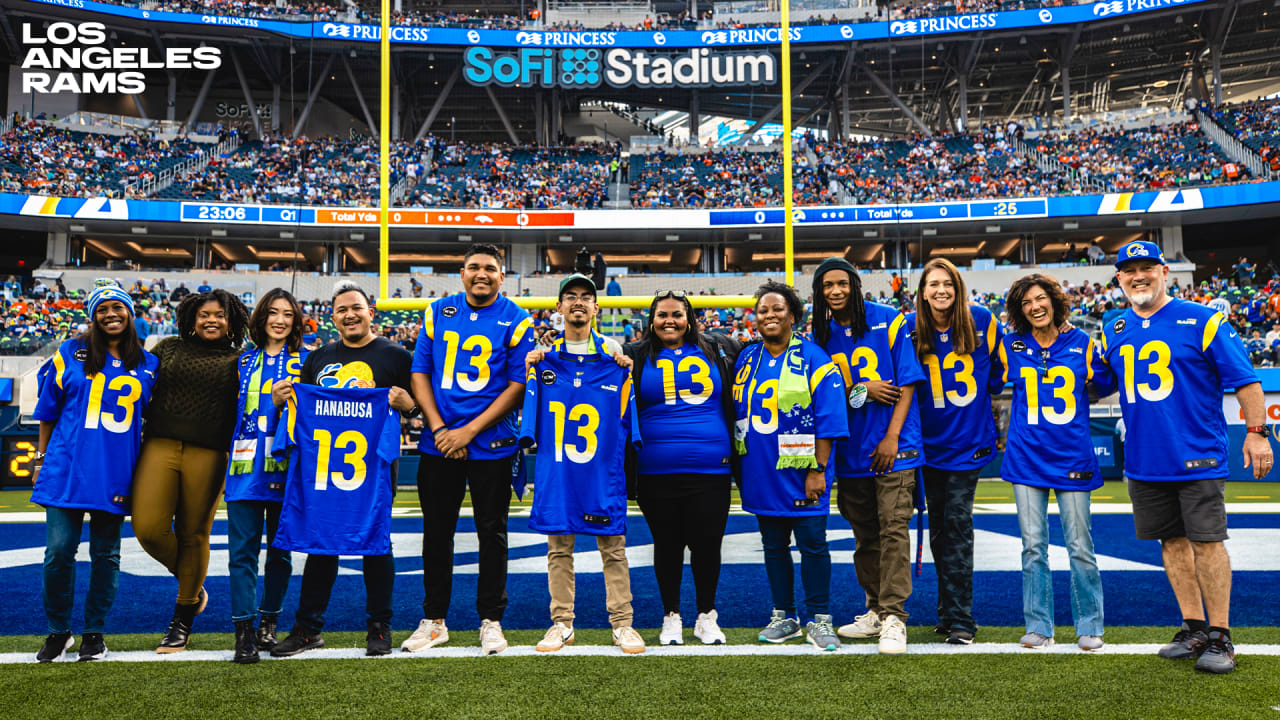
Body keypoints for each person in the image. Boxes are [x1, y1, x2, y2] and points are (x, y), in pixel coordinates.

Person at [1102, 241, 1272, 674]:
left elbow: (1247, 381)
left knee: (1207, 543)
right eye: (1129, 270)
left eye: (1146, 268)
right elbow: (1098, 380)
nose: (1138, 276)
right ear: (1119, 278)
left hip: (1196, 453)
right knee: (1171, 544)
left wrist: (1257, 434)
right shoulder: (1115, 325)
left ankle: (1221, 636)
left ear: (1165, 272)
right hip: (1144, 458)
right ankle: (1193, 626)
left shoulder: (1202, 319)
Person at [270, 281, 416, 657]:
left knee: (376, 544)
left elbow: (421, 403)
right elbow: (301, 409)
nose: (349, 314)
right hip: (324, 468)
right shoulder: (318, 358)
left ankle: (379, 626)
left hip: (375, 467)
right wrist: (282, 399)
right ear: (332, 317)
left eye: (356, 307)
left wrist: (409, 404)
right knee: (321, 545)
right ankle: (307, 628)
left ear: (371, 313)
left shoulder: (396, 356)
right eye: (341, 310)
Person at [406, 244, 534, 655]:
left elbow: (517, 386)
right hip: (439, 442)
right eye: (474, 267)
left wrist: (469, 432)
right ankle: (434, 620)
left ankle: (491, 619)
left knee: (491, 534)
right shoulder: (436, 312)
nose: (482, 274)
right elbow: (419, 372)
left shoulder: (517, 319)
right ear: (461, 273)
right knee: (436, 533)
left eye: (491, 269)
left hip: (491, 443)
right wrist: (442, 428)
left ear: (502, 276)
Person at [32, 285, 158, 662]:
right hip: (66, 467)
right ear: (92, 316)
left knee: (106, 556)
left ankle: (94, 633)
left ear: (131, 313)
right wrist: (40, 460)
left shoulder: (149, 363)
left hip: (115, 471)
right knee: (57, 553)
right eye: (101, 308)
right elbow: (47, 411)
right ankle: (58, 631)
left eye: (117, 306)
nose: (110, 314)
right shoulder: (70, 352)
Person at [522, 275, 645, 654]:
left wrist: (625, 369)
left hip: (600, 472)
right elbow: (529, 426)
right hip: (559, 470)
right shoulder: (541, 360)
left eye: (586, 297)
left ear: (596, 308)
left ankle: (623, 624)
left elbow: (631, 428)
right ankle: (561, 623)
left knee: (614, 547)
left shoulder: (615, 358)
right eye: (570, 297)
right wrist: (533, 364)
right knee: (558, 548)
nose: (577, 302)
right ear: (558, 307)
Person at [811, 258, 924, 655]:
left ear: (855, 285)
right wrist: (861, 387)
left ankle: (895, 616)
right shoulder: (820, 335)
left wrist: (892, 436)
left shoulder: (889, 319)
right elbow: (829, 394)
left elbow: (907, 383)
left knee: (893, 530)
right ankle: (875, 607)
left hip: (893, 446)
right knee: (865, 535)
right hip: (851, 449)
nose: (836, 291)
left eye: (842, 283)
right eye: (828, 286)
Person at [999, 274, 1116, 652]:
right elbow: (985, 375)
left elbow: (1105, 382)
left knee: (1080, 545)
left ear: (1054, 301)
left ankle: (1089, 625)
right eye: (1026, 302)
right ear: (1019, 310)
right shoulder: (1010, 344)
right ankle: (1038, 625)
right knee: (1033, 545)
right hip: (1027, 456)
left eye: (1040, 299)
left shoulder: (1083, 342)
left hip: (1071, 454)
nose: (1035, 306)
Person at [622, 289, 742, 646]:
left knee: (708, 544)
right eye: (662, 315)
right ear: (651, 320)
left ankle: (707, 614)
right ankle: (671, 615)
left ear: (689, 318)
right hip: (655, 469)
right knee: (668, 544)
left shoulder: (719, 347)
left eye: (676, 314)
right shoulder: (634, 354)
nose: (669, 321)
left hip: (711, 467)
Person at [734, 280, 848, 651]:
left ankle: (820, 617)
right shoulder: (747, 358)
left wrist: (818, 468)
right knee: (773, 545)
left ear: (793, 315)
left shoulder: (813, 357)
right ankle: (784, 615)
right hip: (762, 471)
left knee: (813, 543)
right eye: (763, 310)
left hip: (802, 472)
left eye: (777, 309)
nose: (769, 315)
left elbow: (830, 416)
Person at [132, 290, 249, 653]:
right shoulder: (167, 347)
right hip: (160, 444)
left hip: (210, 452)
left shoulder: (242, 359)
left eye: (219, 315)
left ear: (233, 321)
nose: (211, 320)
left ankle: (182, 617)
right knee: (148, 528)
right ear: (190, 318)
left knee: (193, 532)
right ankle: (193, 586)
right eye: (203, 315)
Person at [904, 258, 1004, 645]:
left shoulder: (982, 320)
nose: (941, 290)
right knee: (940, 532)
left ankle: (962, 618)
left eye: (947, 283)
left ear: (957, 286)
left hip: (967, 443)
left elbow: (1000, 372)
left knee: (957, 529)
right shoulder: (909, 326)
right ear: (922, 291)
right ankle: (948, 614)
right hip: (926, 445)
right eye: (933, 284)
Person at [223, 288, 307, 664]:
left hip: (288, 471)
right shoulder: (240, 362)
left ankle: (268, 625)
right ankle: (244, 633)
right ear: (261, 317)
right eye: (273, 312)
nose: (280, 320)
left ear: (296, 321)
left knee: (280, 554)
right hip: (242, 469)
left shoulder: (307, 362)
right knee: (241, 554)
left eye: (288, 314)